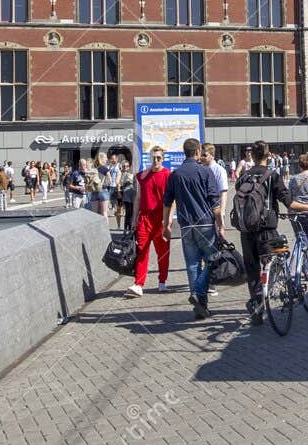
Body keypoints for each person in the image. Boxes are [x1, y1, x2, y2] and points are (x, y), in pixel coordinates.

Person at [233, 141, 291, 326]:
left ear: (253, 156)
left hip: (247, 231)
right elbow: (288, 201)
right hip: (267, 230)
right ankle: (267, 291)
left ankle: (257, 305)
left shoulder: (243, 177)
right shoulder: (273, 175)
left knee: (252, 270)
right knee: (273, 263)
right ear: (268, 155)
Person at [164, 138, 223, 320]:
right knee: (212, 261)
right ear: (198, 151)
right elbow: (215, 203)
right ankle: (198, 295)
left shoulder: (176, 174)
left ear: (184, 152)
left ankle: (199, 305)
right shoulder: (205, 172)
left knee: (192, 264)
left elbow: (167, 202)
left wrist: (166, 225)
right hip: (205, 223)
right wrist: (220, 224)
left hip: (186, 225)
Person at [125, 148, 172, 298]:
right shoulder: (142, 176)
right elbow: (138, 198)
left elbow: (172, 200)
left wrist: (168, 219)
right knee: (142, 251)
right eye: (153, 158)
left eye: (158, 158)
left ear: (163, 159)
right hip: (144, 219)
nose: (156, 160)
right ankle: (138, 284)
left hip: (161, 218)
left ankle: (162, 281)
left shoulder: (168, 175)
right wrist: (134, 218)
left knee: (163, 252)